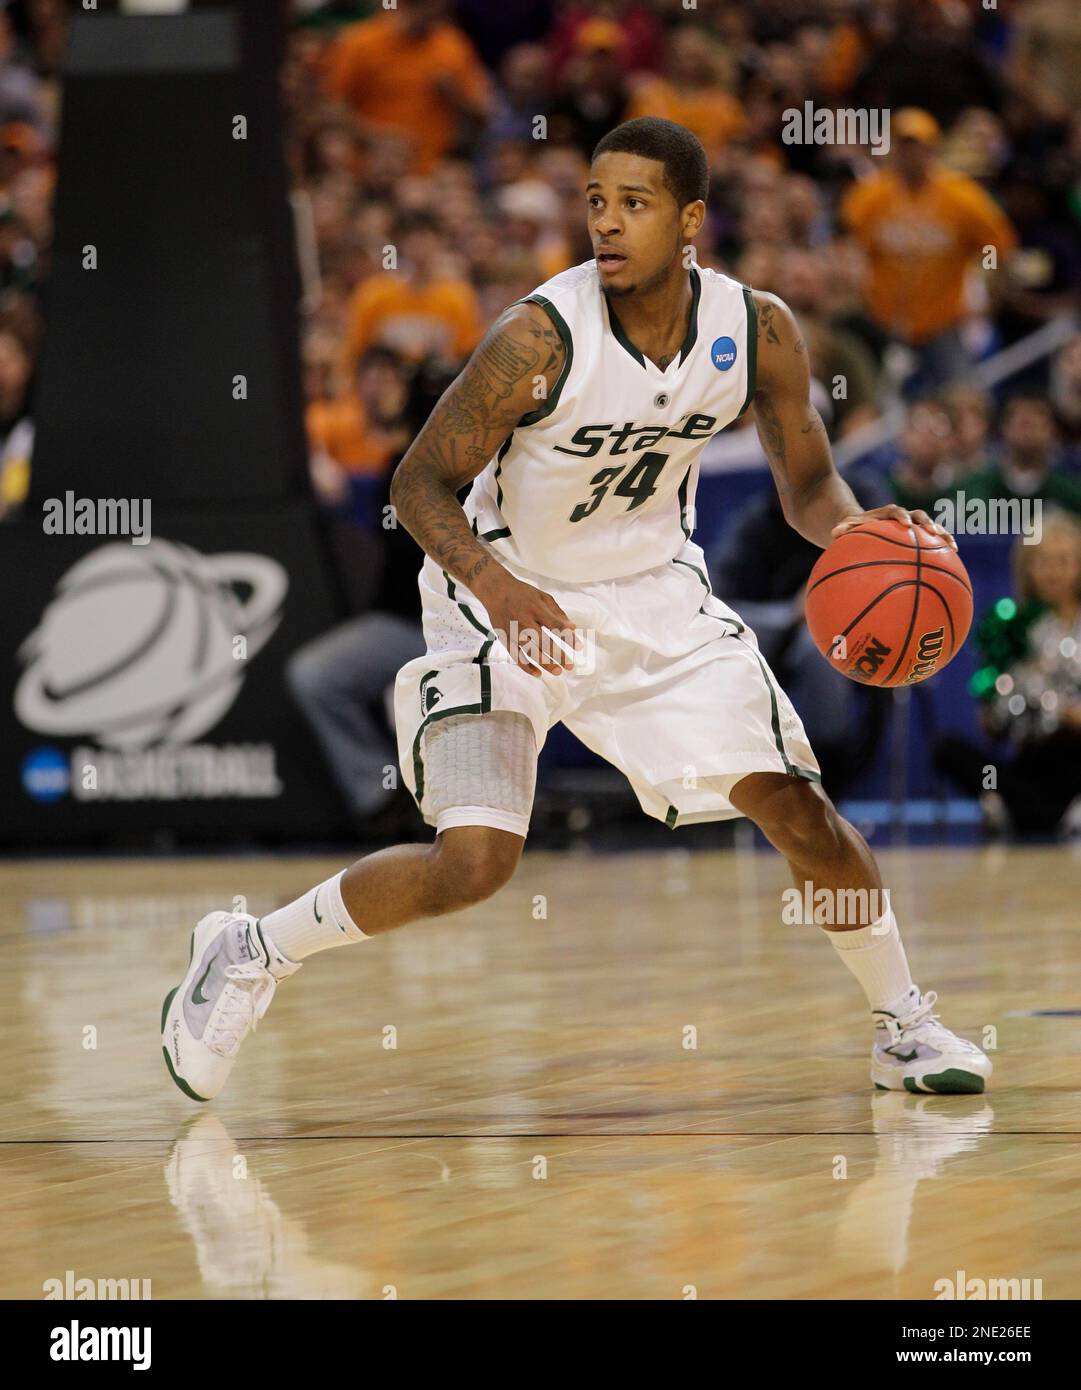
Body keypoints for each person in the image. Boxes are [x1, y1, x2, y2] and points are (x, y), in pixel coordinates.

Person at [162, 117, 991, 1104]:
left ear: (689, 220)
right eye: (596, 201)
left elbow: (808, 485)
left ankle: (902, 1024)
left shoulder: (754, 327)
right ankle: (251, 949)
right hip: (497, 590)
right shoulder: (538, 337)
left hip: (653, 598)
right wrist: (505, 594)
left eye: (632, 204)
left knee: (798, 809)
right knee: (472, 861)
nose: (605, 221)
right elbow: (417, 484)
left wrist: (859, 535)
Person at [841, 107, 1017, 394]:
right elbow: (848, 246)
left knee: (959, 394)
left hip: (943, 321)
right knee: (876, 398)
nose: (909, 155)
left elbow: (998, 247)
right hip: (882, 320)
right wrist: (854, 283)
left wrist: (987, 292)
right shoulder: (870, 196)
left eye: (917, 147)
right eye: (902, 146)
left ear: (932, 149)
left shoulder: (962, 197)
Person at [935, 510, 1081, 836]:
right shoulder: (1006, 627)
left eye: (1063, 561)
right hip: (1031, 761)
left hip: (1076, 756)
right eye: (1042, 561)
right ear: (1026, 568)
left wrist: (1064, 712)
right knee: (952, 751)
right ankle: (1027, 806)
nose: (1053, 572)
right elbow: (992, 731)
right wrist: (1005, 709)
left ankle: (1027, 810)